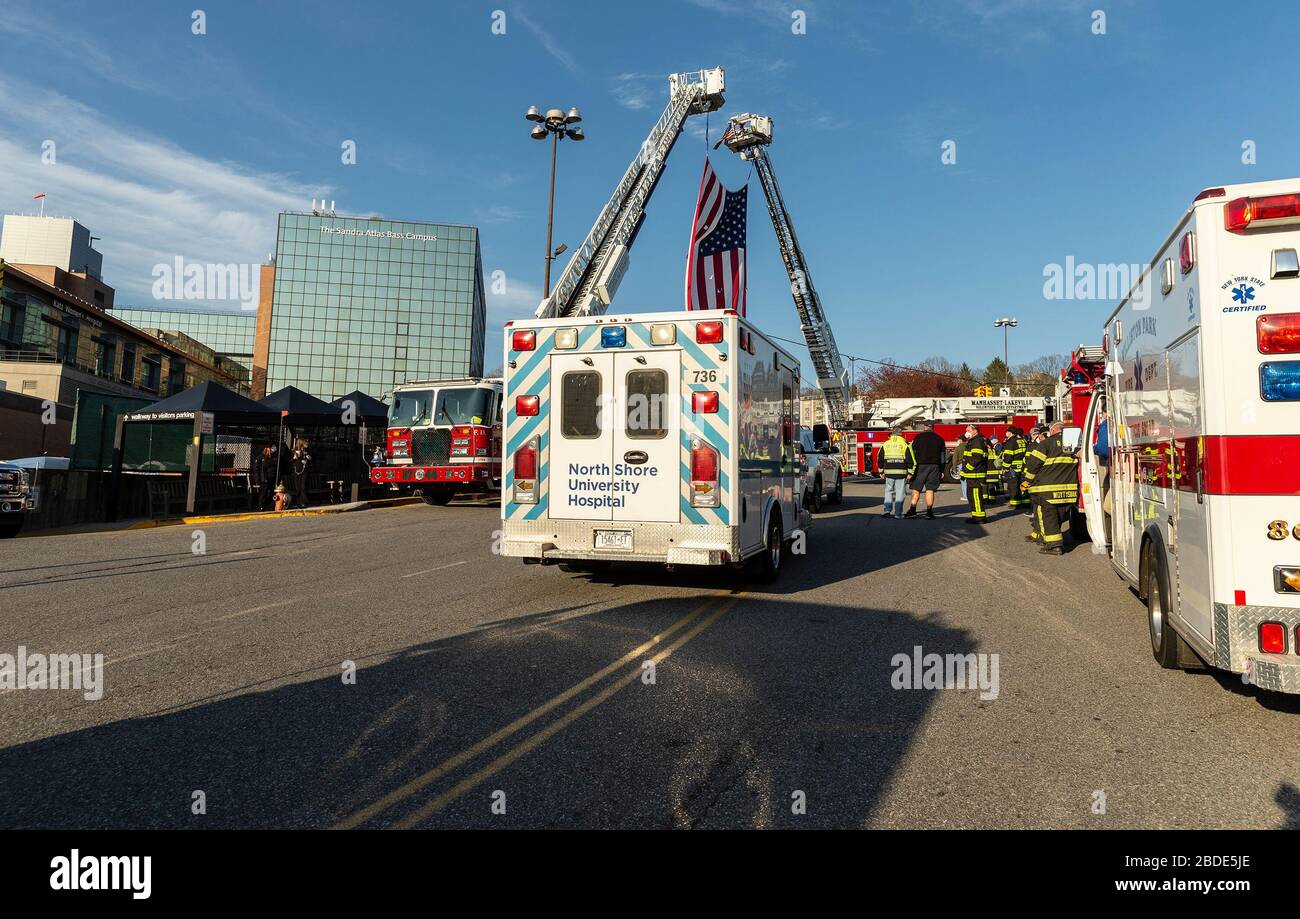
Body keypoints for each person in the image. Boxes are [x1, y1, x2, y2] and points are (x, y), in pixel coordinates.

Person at [1021, 421, 1078, 555]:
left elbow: (1033, 464)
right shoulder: (1073, 443)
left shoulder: (1046, 443)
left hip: (1047, 489)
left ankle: (1054, 545)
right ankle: (1052, 539)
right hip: (1069, 489)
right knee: (1059, 514)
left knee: (1049, 516)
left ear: (1052, 431)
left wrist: (1027, 481)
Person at [903, 420, 945, 520]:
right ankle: (929, 512)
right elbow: (943, 456)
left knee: (916, 489)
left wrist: (910, 468)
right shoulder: (939, 439)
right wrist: (942, 470)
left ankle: (912, 510)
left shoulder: (918, 437)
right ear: (933, 427)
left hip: (920, 466)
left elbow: (911, 452)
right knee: (930, 490)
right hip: (934, 467)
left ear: (925, 426)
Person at [878, 425, 915, 518]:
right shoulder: (905, 444)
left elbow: (880, 458)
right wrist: (910, 472)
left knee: (888, 491)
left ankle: (887, 510)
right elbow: (910, 459)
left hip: (889, 472)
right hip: (901, 473)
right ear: (901, 434)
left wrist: (881, 471)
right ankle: (898, 514)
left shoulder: (886, 444)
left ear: (892, 434)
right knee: (900, 493)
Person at [959, 424, 988, 525]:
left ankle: (980, 518)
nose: (966, 432)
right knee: (971, 496)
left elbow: (976, 457)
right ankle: (975, 516)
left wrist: (967, 469)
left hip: (975, 475)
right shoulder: (973, 441)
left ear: (975, 431)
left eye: (968, 430)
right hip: (972, 475)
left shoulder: (977, 441)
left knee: (975, 496)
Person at [1001, 426, 1029, 511]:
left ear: (1011, 433)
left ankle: (1015, 504)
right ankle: (1026, 501)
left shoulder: (1011, 442)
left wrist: (1005, 467)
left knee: (1013, 486)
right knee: (1023, 485)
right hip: (1022, 467)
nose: (1006, 433)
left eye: (1007, 432)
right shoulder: (1023, 441)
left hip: (1013, 468)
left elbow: (1008, 456)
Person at [255, 445, 278, 511]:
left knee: (272, 493)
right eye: (269, 450)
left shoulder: (273, 457)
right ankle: (261, 506)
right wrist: (258, 480)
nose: (270, 451)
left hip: (272, 478)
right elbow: (257, 469)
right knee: (263, 493)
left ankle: (271, 506)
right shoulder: (261, 457)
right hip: (264, 479)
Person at [291, 436, 312, 509]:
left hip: (304, 470)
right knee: (298, 487)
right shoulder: (295, 450)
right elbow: (292, 461)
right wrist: (294, 457)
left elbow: (311, 458)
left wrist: (309, 458)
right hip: (297, 471)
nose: (306, 443)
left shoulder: (307, 450)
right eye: (305, 442)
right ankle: (298, 502)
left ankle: (304, 502)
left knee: (303, 486)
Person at [984, 435, 1003, 503]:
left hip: (987, 471)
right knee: (991, 486)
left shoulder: (985, 450)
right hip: (994, 471)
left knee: (985, 486)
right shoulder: (993, 450)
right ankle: (992, 500)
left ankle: (985, 499)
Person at [952, 434, 969, 502]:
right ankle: (970, 495)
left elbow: (955, 459)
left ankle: (965, 496)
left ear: (961, 440)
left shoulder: (958, 448)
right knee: (969, 480)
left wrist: (954, 468)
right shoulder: (969, 446)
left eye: (958, 439)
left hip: (961, 465)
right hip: (969, 464)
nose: (957, 441)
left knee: (963, 481)